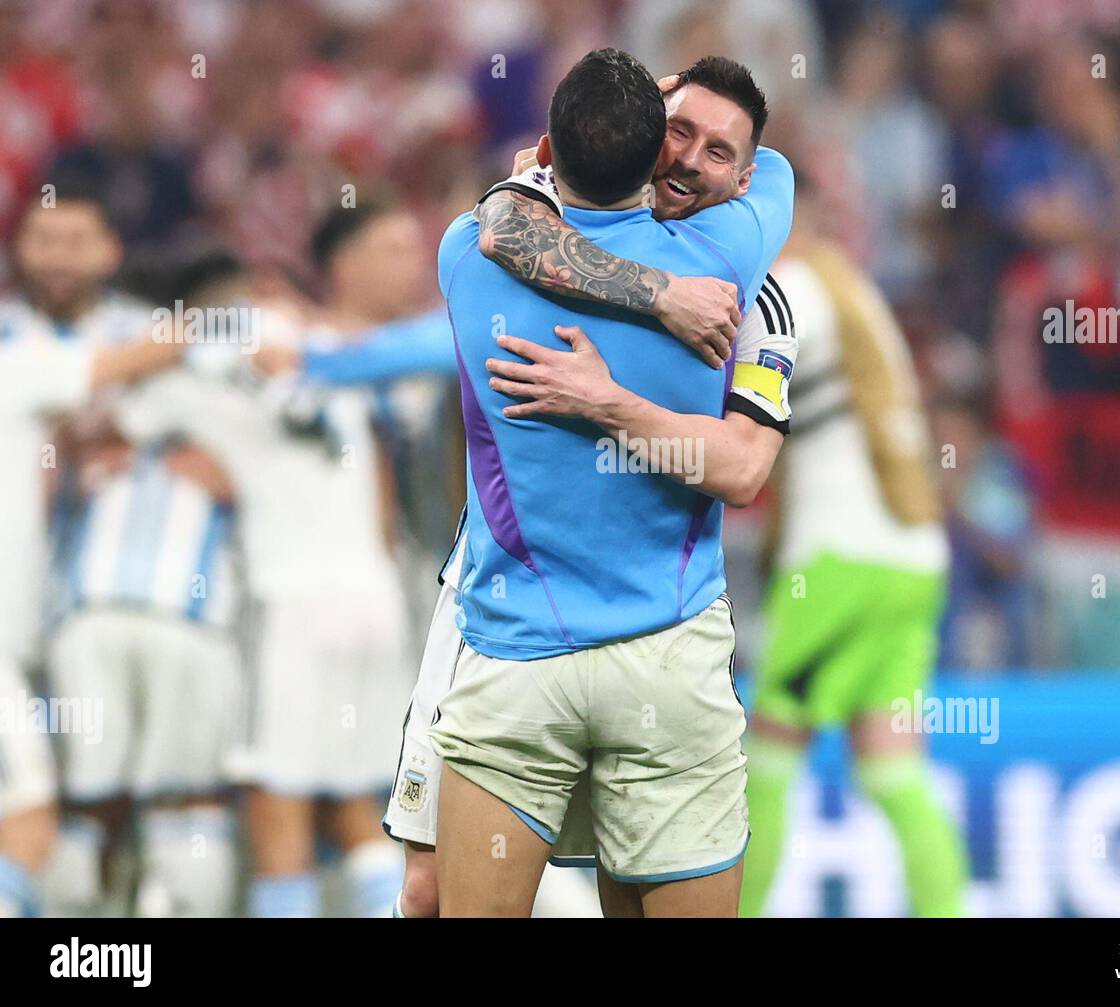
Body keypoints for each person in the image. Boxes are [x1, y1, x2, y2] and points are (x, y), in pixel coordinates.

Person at [430, 48, 793, 917]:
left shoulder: (467, 254)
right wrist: (661, 292)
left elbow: (504, 212)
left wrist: (609, 127)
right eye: (679, 136)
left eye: (715, 150)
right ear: (652, 153)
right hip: (667, 658)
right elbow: (772, 168)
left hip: (516, 657)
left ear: (548, 150)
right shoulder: (730, 264)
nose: (693, 159)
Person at [113, 220, 418, 917]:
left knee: (276, 808)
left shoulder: (190, 369)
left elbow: (110, 422)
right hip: (373, 600)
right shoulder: (327, 346)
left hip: (288, 605)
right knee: (355, 804)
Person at [737, 182, 969, 918]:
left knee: (766, 758)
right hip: (912, 553)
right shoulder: (854, 290)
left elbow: (727, 383)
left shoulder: (792, 289)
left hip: (839, 561)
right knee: (893, 769)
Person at [0, 186, 181, 917]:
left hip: (60, 619)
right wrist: (222, 313)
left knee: (72, 803)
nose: (58, 257)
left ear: (110, 249)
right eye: (44, 238)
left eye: (77, 238)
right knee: (35, 811)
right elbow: (144, 356)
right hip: (17, 640)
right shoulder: (17, 356)